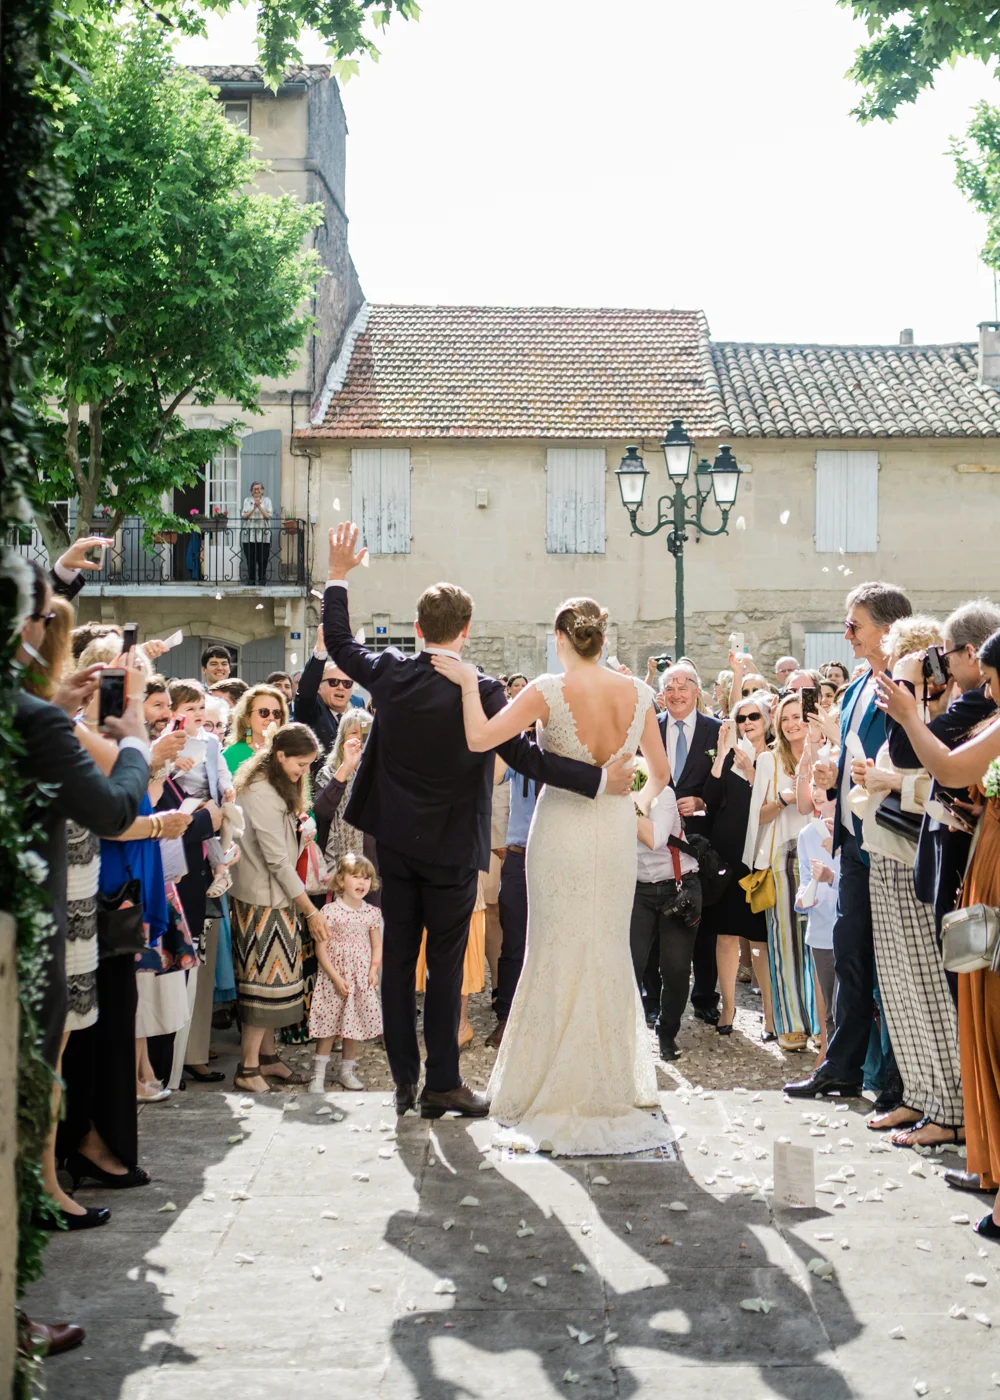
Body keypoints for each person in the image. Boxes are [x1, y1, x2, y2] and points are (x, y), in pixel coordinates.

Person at [324, 523, 634, 1122]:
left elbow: (338, 642)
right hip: (451, 849)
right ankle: (443, 1082)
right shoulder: (484, 689)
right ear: (466, 632)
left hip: (392, 841)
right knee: (444, 965)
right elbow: (528, 758)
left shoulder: (391, 672)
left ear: (418, 630)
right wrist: (597, 781)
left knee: (396, 963)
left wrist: (339, 575)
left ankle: (403, 1085)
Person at [432, 592, 673, 1156]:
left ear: (560, 638)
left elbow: (480, 740)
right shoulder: (638, 693)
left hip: (560, 830)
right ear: (604, 638)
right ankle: (611, 1080)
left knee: (554, 947)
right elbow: (659, 774)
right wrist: (628, 804)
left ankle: (547, 1078)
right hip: (613, 832)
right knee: (607, 946)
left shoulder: (545, 690)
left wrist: (470, 687)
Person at [875, 629, 1000, 1217]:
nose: (990, 692)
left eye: (994, 681)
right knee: (974, 1014)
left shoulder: (990, 713)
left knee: (987, 1018)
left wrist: (909, 714)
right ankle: (988, 1162)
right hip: (977, 870)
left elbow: (947, 767)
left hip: (988, 880)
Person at [786, 580, 912, 1100]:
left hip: (892, 837)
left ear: (888, 630)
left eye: (855, 625)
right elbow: (853, 751)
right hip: (854, 838)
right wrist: (831, 769)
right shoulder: (860, 684)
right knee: (851, 952)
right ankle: (843, 1065)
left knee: (896, 963)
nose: (846, 633)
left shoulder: (907, 686)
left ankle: (899, 1079)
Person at [853, 615, 962, 1146]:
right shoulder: (913, 713)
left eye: (905, 679)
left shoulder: (945, 716)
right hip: (882, 849)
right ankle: (920, 1095)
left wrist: (890, 779)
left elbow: (945, 784)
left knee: (926, 988)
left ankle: (949, 1108)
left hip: (916, 854)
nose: (894, 691)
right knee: (898, 986)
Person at [887, 598, 1000, 933]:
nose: (989, 693)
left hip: (966, 861)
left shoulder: (980, 699)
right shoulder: (978, 698)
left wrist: (905, 693)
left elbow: (912, 756)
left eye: (946, 656)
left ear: (969, 653)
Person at [229, 723, 327, 1092]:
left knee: (276, 984)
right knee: (262, 985)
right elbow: (276, 861)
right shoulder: (258, 792)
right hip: (261, 899)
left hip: (277, 897)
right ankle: (248, 1067)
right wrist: (310, 910)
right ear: (280, 755)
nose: (304, 772)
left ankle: (267, 1058)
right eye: (300, 765)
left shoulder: (276, 784)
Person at [744, 691, 813, 1050]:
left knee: (818, 946)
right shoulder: (769, 761)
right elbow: (757, 815)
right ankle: (790, 1023)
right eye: (785, 718)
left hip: (822, 857)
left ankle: (820, 1022)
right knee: (785, 943)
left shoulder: (825, 753)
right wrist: (784, 799)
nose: (792, 724)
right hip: (782, 859)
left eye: (798, 716)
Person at [703, 693, 773, 1038]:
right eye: (742, 718)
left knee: (759, 936)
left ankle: (772, 1015)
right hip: (727, 854)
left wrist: (750, 771)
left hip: (758, 854)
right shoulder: (730, 755)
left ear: (767, 721)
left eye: (754, 717)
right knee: (726, 934)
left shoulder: (774, 756)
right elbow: (710, 800)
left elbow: (771, 801)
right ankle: (728, 1006)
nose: (748, 723)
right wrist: (720, 755)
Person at [656, 662, 723, 1023]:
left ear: (697, 691)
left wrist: (702, 802)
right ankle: (656, 1000)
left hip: (703, 840)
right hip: (657, 841)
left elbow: (728, 785)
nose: (677, 695)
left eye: (684, 687)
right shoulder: (650, 729)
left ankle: (704, 997)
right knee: (656, 915)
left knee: (705, 923)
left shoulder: (717, 731)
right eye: (670, 688)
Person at [629, 774, 701, 1062]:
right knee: (629, 965)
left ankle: (667, 1033)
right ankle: (626, 1034)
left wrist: (624, 803)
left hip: (678, 886)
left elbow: (655, 838)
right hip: (637, 890)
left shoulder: (664, 795)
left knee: (675, 969)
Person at [309, 852, 383, 1091]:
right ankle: (317, 1075)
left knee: (354, 1025)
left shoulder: (371, 913)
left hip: (359, 978)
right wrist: (335, 977)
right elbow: (321, 949)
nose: (362, 882)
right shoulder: (329, 912)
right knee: (328, 1025)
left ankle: (347, 1071)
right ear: (341, 880)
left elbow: (377, 944)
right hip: (334, 978)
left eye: (366, 878)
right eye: (356, 877)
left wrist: (373, 970)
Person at [167, 679, 239, 896]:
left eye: (201, 707)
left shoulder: (210, 740)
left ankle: (222, 864)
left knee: (228, 820)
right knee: (203, 833)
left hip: (209, 795)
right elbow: (162, 769)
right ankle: (220, 869)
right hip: (184, 799)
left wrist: (227, 787)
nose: (198, 713)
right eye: (190, 709)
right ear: (174, 713)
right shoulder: (171, 740)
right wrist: (173, 762)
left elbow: (221, 769)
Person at [485, 758, 537, 1049]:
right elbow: (494, 776)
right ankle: (506, 1018)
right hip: (519, 856)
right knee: (513, 940)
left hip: (557, 856)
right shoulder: (519, 748)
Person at [794, 795, 840, 1065]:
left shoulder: (852, 829)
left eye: (827, 788)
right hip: (821, 929)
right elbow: (805, 880)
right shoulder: (807, 834)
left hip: (848, 926)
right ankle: (830, 1060)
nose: (820, 793)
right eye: (815, 786)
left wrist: (830, 877)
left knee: (846, 1004)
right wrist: (802, 899)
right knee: (829, 1007)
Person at [294, 635, 355, 765]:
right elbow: (306, 692)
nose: (340, 687)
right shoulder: (314, 711)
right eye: (333, 682)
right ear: (319, 687)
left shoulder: (354, 715)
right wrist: (321, 650)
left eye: (347, 684)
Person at [223, 683, 289, 777]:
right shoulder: (230, 755)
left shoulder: (290, 753)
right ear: (247, 718)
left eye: (276, 713)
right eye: (263, 712)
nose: (271, 717)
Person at [241, 479, 273, 585]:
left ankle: (262, 579)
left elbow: (268, 516)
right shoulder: (247, 501)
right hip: (249, 536)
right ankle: (251, 580)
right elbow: (244, 516)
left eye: (258, 489)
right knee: (250, 559)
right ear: (251, 491)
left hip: (263, 536)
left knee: (262, 559)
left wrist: (259, 506)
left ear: (262, 491)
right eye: (254, 489)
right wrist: (254, 508)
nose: (256, 491)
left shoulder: (267, 501)